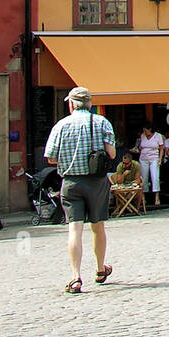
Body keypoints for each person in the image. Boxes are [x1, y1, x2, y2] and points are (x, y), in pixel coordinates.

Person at [43, 86, 116, 295]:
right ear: (90, 104)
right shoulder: (102, 122)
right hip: (96, 182)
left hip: (71, 182)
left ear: (71, 104)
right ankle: (101, 269)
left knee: (74, 229)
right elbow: (111, 153)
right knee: (97, 226)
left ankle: (75, 277)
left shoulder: (61, 125)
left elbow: (51, 157)